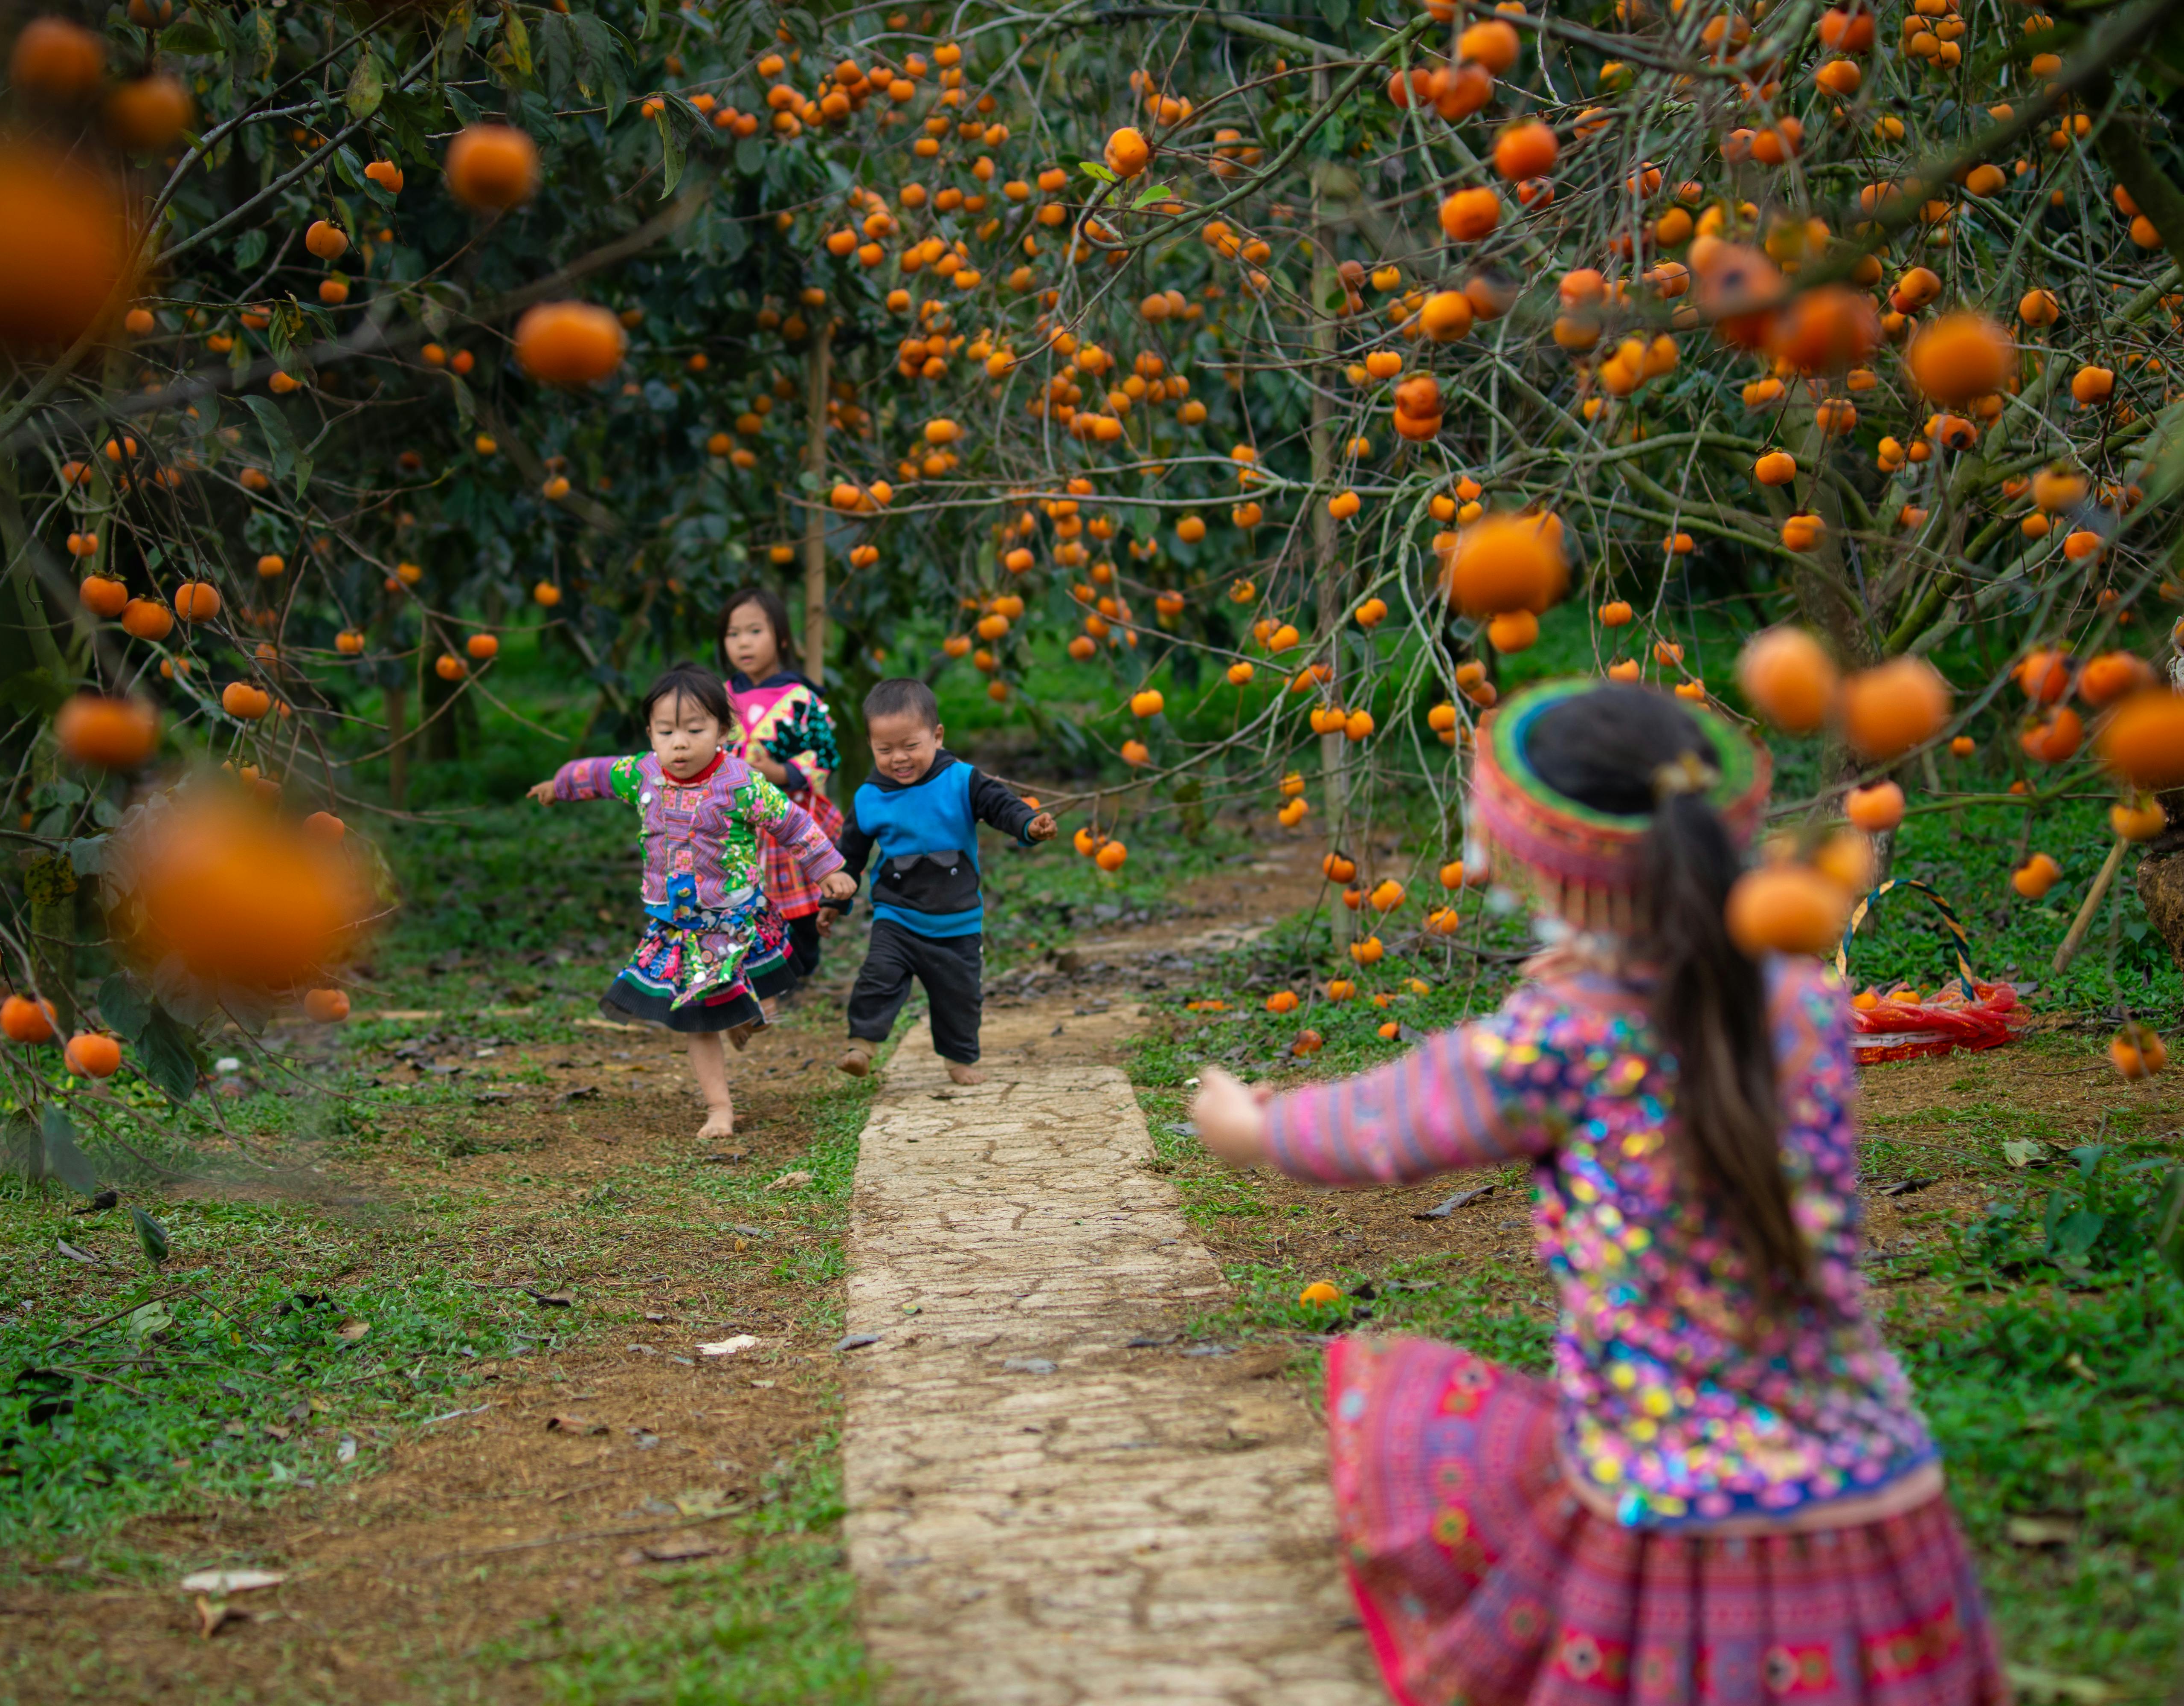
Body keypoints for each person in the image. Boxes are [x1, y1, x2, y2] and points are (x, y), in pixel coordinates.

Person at [1192, 679, 2004, 1706]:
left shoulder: (1562, 1037)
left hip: (1672, 1511)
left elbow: (1392, 1121)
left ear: (1542, 862)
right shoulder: (1800, 1000)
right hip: (1875, 1492)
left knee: (1410, 1419)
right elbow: (1689, 1003)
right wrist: (1602, 950)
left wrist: (1250, 1126)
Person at [530, 664, 854, 1140]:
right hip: (678, 926)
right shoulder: (641, 773)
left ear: (724, 731)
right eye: (666, 731)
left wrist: (830, 869)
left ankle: (746, 1013)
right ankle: (718, 1107)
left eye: (694, 729)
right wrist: (558, 786)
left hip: (737, 917)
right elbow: (596, 774)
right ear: (651, 733)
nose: (679, 743)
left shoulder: (741, 782)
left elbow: (792, 823)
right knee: (696, 1020)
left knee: (747, 998)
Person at [834, 677, 1054, 1085]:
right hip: (896, 914)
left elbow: (1001, 806)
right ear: (871, 746)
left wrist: (1028, 824)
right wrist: (835, 900)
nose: (898, 758)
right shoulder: (870, 797)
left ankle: (959, 1060)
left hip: (957, 919)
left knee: (960, 996)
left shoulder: (962, 781)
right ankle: (862, 1046)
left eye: (910, 746)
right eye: (885, 750)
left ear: (937, 736)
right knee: (878, 977)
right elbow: (849, 854)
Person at [716, 586, 844, 995]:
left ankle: (800, 969)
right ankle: (758, 975)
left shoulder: (801, 697)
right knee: (745, 899)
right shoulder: (719, 698)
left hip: (787, 818)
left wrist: (780, 771)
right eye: (734, 634)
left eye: (755, 631)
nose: (744, 642)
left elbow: (825, 754)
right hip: (736, 822)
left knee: (796, 900)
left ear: (783, 639)